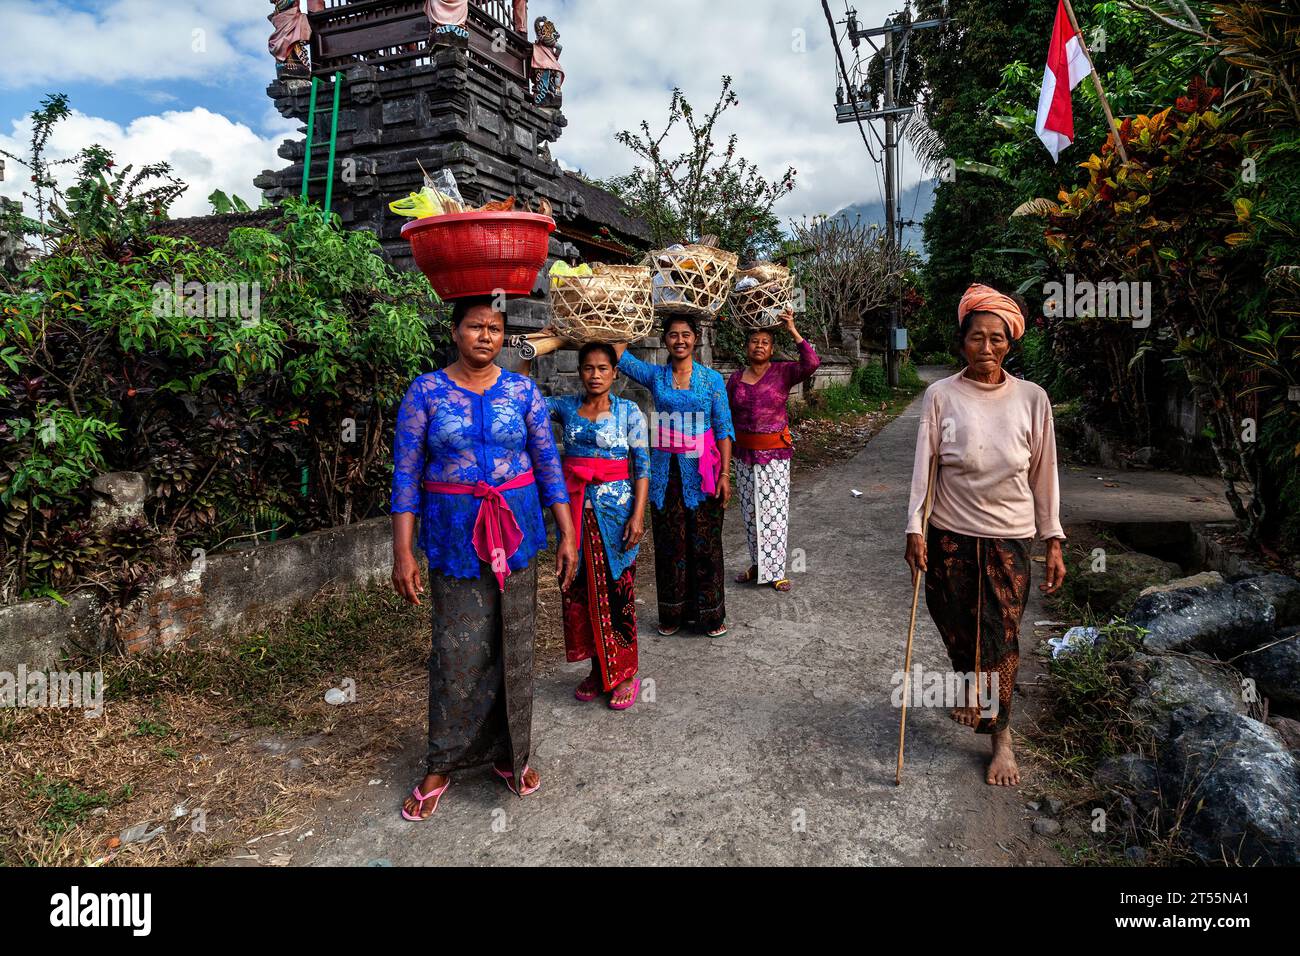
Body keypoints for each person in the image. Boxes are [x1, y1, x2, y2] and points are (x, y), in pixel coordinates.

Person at [390, 297, 577, 820]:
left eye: (495, 329)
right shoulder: (425, 392)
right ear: (455, 332)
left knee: (514, 642)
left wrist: (566, 533)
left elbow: (547, 462)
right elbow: (405, 475)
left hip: (516, 529)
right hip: (454, 535)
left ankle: (510, 754)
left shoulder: (522, 390)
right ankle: (443, 761)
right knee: (457, 648)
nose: (486, 336)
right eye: (475, 326)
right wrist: (403, 549)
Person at [904, 284, 1067, 787]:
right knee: (954, 621)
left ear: (1009, 343)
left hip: (1009, 538)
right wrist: (914, 526)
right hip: (950, 532)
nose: (988, 349)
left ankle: (1002, 738)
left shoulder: (1032, 400)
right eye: (978, 338)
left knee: (1000, 636)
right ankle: (972, 687)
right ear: (962, 342)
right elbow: (923, 468)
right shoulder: (941, 395)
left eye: (997, 339)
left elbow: (1045, 473)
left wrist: (1053, 539)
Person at [520, 340, 650, 710]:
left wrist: (638, 516)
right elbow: (524, 402)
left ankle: (623, 672)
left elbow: (642, 467)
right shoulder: (565, 407)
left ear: (615, 372)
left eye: (603, 368)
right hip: (575, 514)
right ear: (580, 371)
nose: (595, 375)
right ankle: (598, 670)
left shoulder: (630, 412)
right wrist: (540, 349)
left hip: (617, 515)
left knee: (616, 591)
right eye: (588, 368)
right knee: (580, 592)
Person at [612, 318, 734, 637]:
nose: (679, 340)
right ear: (664, 340)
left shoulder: (711, 380)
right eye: (673, 335)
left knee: (706, 542)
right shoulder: (656, 377)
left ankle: (710, 615)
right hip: (665, 471)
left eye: (686, 335)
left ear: (696, 338)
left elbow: (723, 428)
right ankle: (672, 613)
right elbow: (619, 356)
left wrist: (725, 473)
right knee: (670, 543)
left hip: (704, 471)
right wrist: (622, 313)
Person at [726, 310, 820, 592]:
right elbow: (725, 416)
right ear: (747, 347)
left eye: (764, 342)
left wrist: (792, 329)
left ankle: (776, 570)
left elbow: (812, 362)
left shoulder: (783, 372)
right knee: (750, 512)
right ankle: (757, 566)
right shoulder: (734, 379)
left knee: (774, 513)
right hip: (743, 454)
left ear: (771, 348)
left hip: (775, 454)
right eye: (754, 341)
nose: (759, 345)